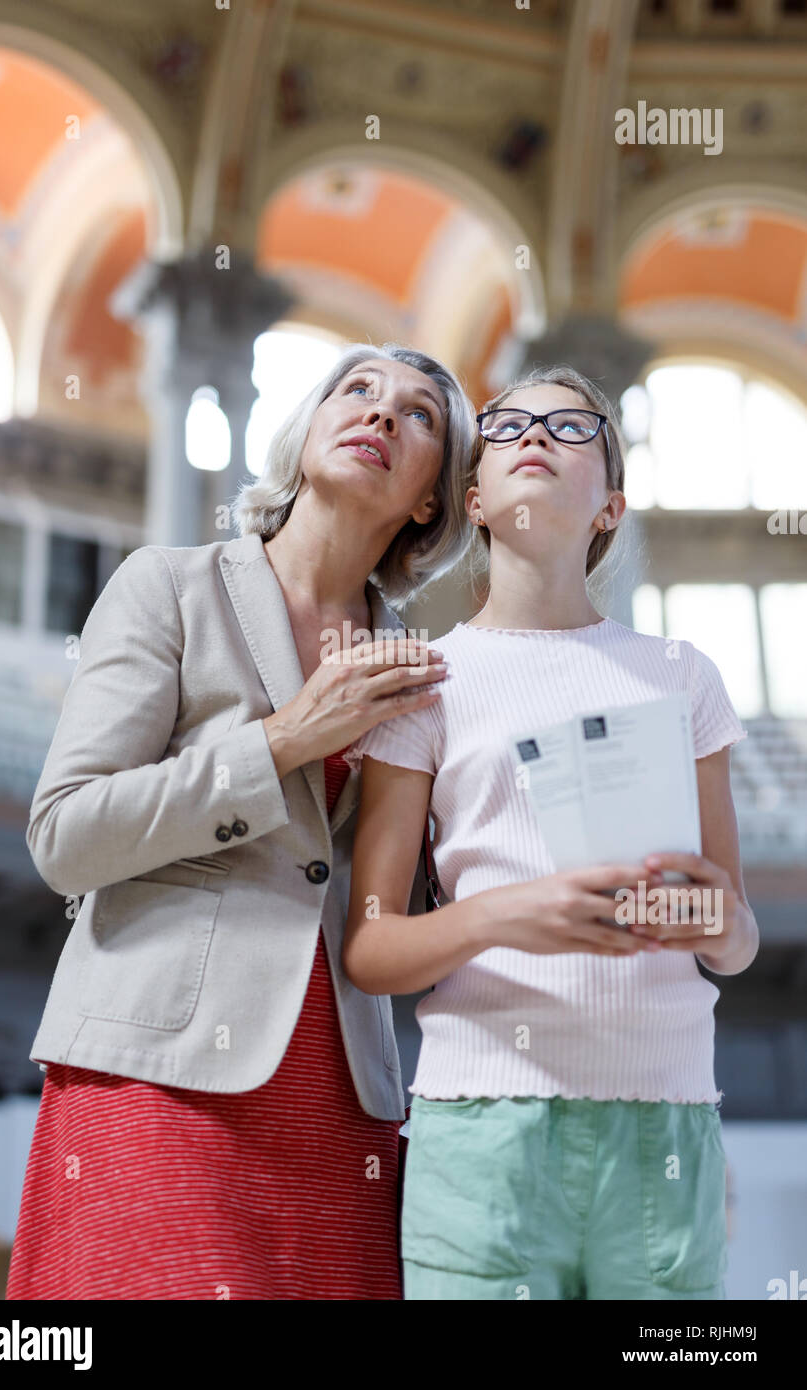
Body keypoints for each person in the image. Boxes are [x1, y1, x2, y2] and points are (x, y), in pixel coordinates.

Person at [5, 342, 477, 1300]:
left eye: (419, 414)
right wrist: (281, 742)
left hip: (343, 1106)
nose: (382, 416)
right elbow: (65, 835)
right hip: (159, 1076)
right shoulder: (168, 585)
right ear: (306, 432)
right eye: (358, 392)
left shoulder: (420, 675)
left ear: (433, 499)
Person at [341, 363, 759, 1301]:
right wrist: (512, 913)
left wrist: (705, 918)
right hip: (480, 1129)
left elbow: (737, 940)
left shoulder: (682, 675)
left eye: (573, 428)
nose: (537, 435)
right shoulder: (423, 682)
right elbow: (372, 946)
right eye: (509, 425)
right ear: (476, 497)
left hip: (666, 1123)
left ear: (611, 506)